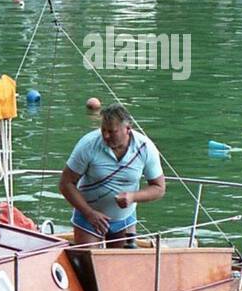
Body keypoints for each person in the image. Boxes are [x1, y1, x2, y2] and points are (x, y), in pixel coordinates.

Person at [59, 104, 166, 248]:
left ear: (128, 129)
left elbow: (159, 188)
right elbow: (65, 184)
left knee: (121, 266)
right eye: (103, 130)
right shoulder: (88, 144)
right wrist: (89, 213)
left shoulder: (145, 148)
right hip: (88, 218)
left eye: (111, 131)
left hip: (124, 219)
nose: (106, 136)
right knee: (89, 264)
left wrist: (133, 197)